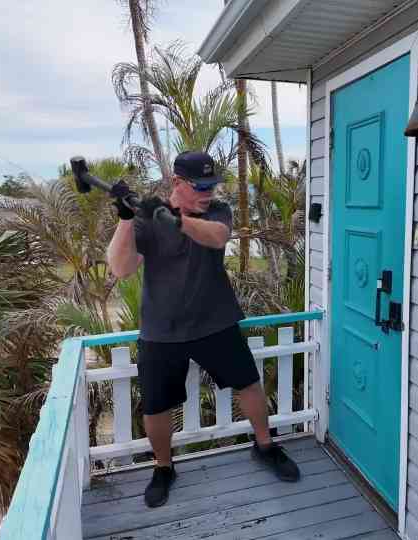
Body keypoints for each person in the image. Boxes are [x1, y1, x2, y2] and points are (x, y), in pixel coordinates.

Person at [106, 150, 301, 508]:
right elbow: (121, 268)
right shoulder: (147, 219)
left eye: (212, 185)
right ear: (177, 182)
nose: (208, 192)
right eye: (201, 186)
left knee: (248, 384)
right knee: (156, 405)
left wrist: (177, 221)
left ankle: (265, 446)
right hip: (161, 330)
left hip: (215, 321)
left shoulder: (216, 211)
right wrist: (125, 219)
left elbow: (217, 237)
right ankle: (164, 468)